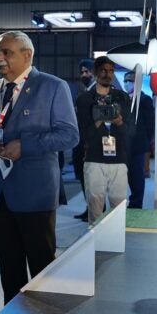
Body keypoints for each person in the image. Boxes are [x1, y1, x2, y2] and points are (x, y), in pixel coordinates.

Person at [0, 31, 79, 304]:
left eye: (6, 52)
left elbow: (70, 135)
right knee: (9, 271)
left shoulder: (53, 87)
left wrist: (25, 145)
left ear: (27, 55)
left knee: (42, 269)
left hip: (36, 194)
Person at [76, 57, 132, 222]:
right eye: (103, 71)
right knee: (95, 209)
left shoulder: (122, 98)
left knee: (119, 208)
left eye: (111, 71)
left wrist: (119, 122)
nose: (108, 75)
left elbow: (130, 132)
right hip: (94, 160)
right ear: (95, 72)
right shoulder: (84, 100)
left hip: (119, 160)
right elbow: (83, 134)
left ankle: (116, 238)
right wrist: (99, 120)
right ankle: (96, 238)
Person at [122, 71, 155, 209]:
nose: (127, 83)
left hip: (138, 144)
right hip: (124, 144)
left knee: (137, 175)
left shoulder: (145, 99)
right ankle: (132, 200)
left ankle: (137, 203)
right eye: (125, 81)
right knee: (128, 175)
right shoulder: (123, 99)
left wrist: (146, 141)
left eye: (130, 81)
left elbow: (150, 124)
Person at [68, 58, 95, 219]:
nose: (84, 75)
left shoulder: (98, 92)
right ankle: (89, 208)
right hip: (80, 141)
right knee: (83, 177)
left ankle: (96, 210)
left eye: (87, 71)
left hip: (90, 144)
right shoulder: (83, 92)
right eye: (82, 72)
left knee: (91, 178)